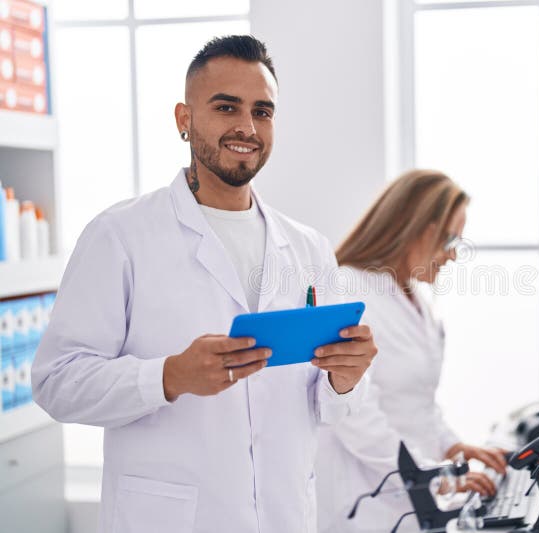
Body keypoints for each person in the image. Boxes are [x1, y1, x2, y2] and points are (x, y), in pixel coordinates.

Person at [32, 35, 377, 533]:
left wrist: (345, 379)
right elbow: (56, 383)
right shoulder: (119, 236)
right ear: (184, 119)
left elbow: (331, 411)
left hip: (284, 517)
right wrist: (168, 376)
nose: (246, 127)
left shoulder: (308, 248)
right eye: (225, 107)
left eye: (263, 111)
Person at [315, 170, 507, 532]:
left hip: (415, 496)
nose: (452, 256)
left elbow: (418, 402)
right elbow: (355, 417)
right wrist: (434, 479)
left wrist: (453, 447)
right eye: (450, 240)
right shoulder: (348, 288)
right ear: (414, 226)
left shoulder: (416, 298)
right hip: (366, 501)